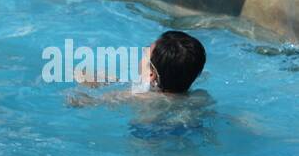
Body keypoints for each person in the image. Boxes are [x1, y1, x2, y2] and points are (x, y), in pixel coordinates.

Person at [69, 30, 208, 107]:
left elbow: (87, 101)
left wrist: (79, 92)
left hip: (148, 140)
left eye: (145, 51)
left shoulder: (140, 97)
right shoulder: (199, 97)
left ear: (151, 74)